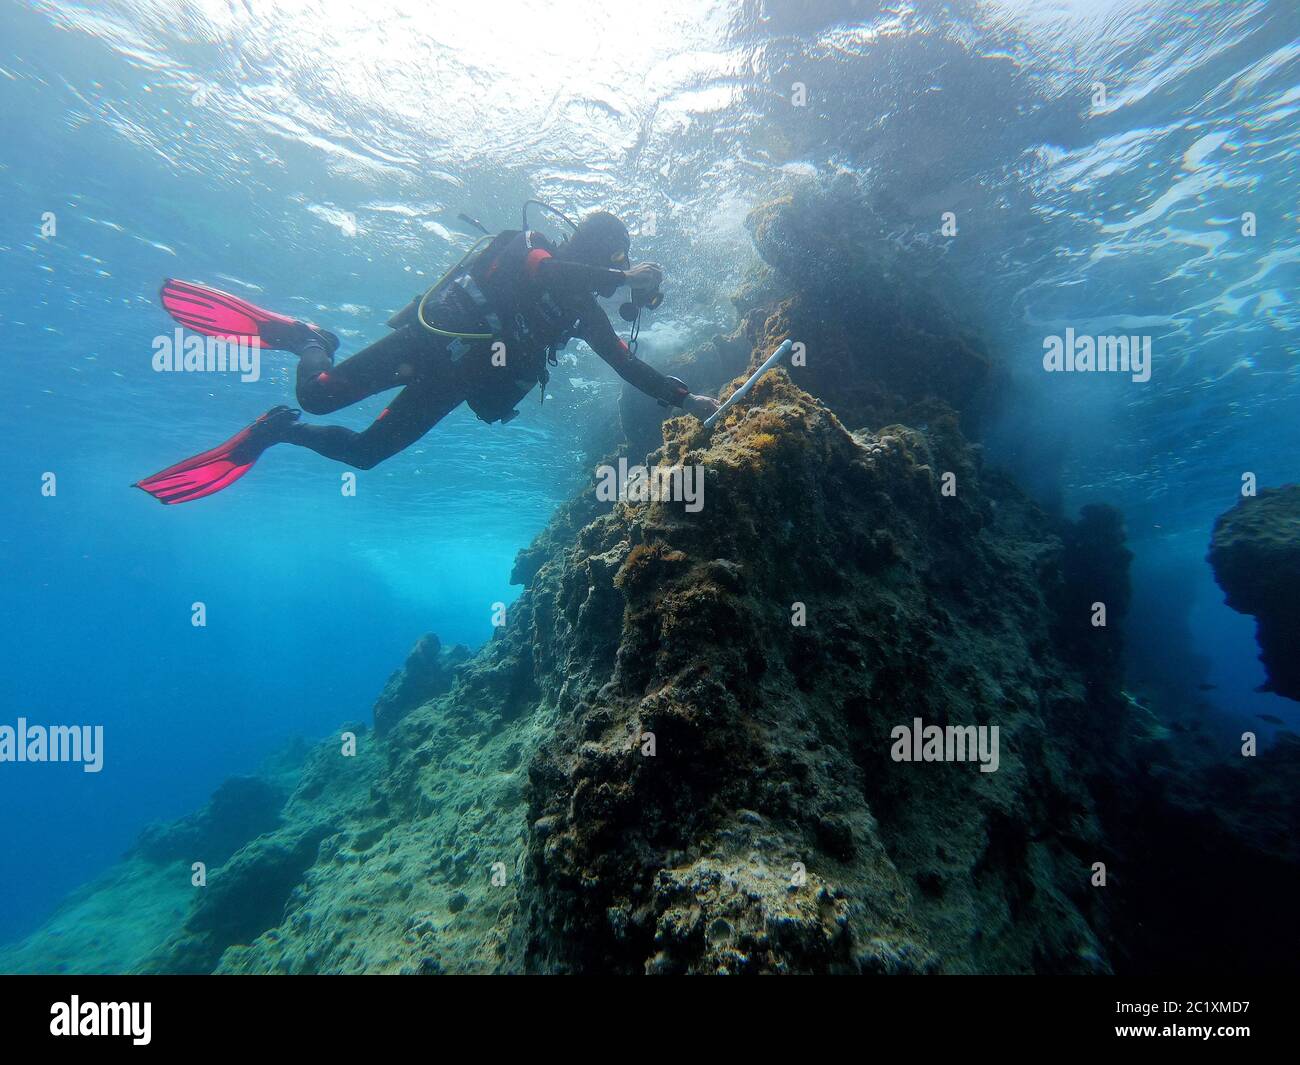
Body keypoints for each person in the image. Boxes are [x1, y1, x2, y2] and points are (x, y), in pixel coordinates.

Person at [135, 211, 719, 504]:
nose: (608, 286)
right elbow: (549, 273)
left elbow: (622, 361)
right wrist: (623, 275)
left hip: (452, 383)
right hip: (427, 341)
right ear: (595, 251)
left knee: (365, 455)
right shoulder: (533, 248)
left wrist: (683, 397)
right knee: (318, 392)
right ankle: (306, 337)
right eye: (611, 262)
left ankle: (277, 433)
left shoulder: (581, 314)